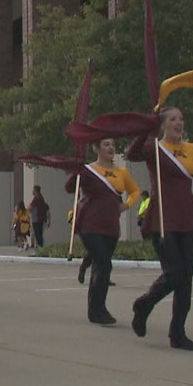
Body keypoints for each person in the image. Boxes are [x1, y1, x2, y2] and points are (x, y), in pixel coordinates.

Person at [126, 107, 193, 350]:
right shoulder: (155, 149)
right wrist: (146, 130)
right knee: (174, 272)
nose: (179, 123)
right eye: (173, 119)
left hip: (186, 218)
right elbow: (131, 154)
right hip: (162, 219)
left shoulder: (192, 150)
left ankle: (178, 333)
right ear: (163, 125)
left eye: (181, 118)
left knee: (186, 279)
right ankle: (145, 304)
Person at [69, 138, 140, 325]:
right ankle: (99, 309)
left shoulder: (121, 172)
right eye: (106, 144)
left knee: (100, 267)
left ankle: (94, 310)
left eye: (113, 145)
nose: (111, 148)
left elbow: (135, 191)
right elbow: (69, 187)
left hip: (111, 227)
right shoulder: (88, 170)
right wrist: (76, 170)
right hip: (90, 225)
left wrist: (126, 205)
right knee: (104, 265)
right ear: (96, 148)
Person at [29, 185, 51, 249]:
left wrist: (28, 208)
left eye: (33, 190)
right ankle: (40, 247)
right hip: (41, 219)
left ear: (35, 191)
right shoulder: (41, 198)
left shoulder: (36, 198)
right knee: (39, 234)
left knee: (37, 235)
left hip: (36, 219)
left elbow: (31, 208)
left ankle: (39, 248)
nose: (32, 191)